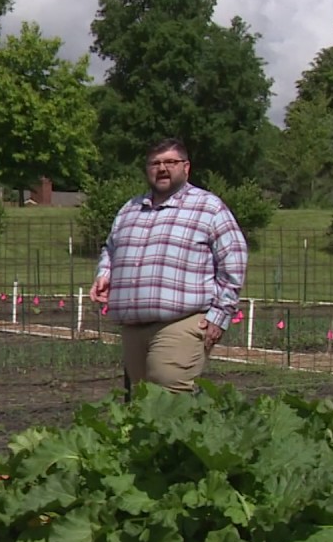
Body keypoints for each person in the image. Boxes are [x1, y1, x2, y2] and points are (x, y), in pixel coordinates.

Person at [89, 138, 249, 395]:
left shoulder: (208, 207)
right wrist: (105, 274)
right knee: (139, 401)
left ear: (186, 167)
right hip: (133, 325)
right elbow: (110, 249)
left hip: (182, 321)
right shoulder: (130, 209)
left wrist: (220, 314)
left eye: (170, 162)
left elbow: (234, 259)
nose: (162, 168)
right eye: (155, 163)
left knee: (168, 396)